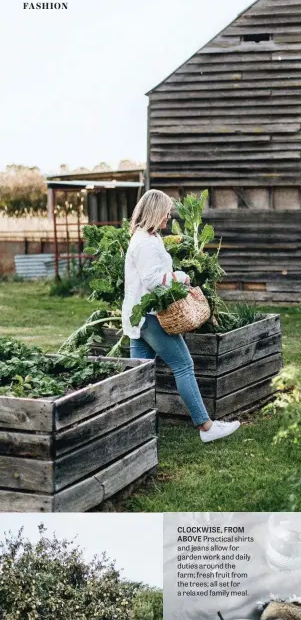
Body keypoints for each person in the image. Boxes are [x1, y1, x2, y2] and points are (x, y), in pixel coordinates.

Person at [122, 189, 240, 443]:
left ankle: (134, 433)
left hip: (141, 316)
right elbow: (152, 280)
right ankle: (206, 428)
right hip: (151, 316)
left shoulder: (149, 238)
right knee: (183, 365)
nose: (168, 216)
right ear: (154, 212)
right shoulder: (143, 243)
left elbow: (154, 272)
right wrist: (180, 276)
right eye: (165, 212)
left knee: (138, 378)